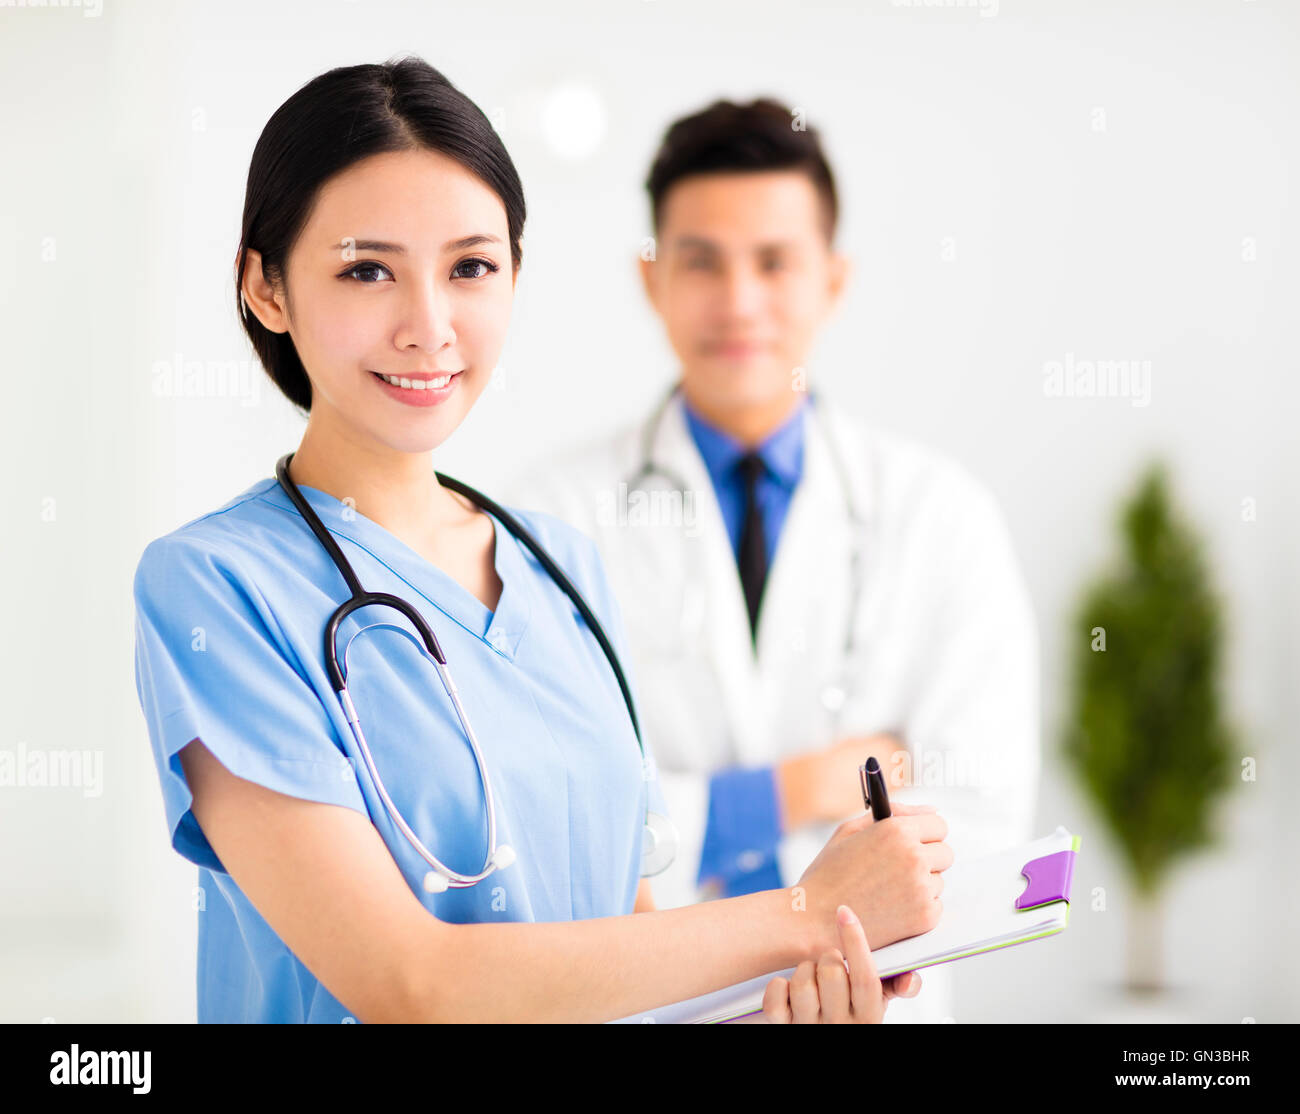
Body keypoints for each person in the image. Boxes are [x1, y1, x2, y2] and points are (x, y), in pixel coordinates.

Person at [131, 56, 951, 1024]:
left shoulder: (560, 566)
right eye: (366, 270)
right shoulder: (214, 586)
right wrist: (809, 910)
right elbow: (410, 984)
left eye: (470, 266)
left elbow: (635, 958)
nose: (428, 327)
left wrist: (784, 1009)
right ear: (265, 287)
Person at [506, 97, 1040, 1023]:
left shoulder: (941, 517)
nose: (739, 301)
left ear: (834, 280)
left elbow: (980, 826)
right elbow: (556, 826)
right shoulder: (550, 519)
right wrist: (795, 795)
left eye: (775, 262)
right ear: (650, 279)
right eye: (701, 260)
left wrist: (707, 840)